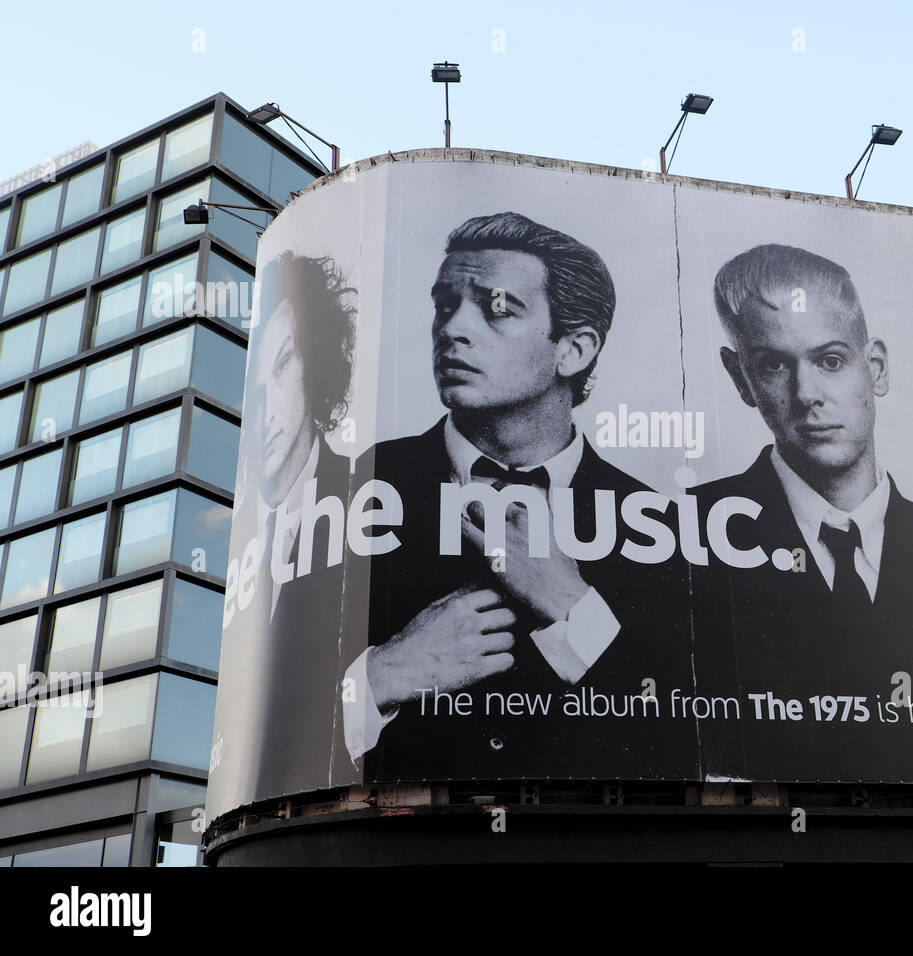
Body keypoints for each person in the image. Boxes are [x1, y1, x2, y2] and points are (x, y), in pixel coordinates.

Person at [342, 212, 697, 781]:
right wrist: (383, 676)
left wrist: (572, 608)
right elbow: (275, 728)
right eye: (445, 304)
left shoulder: (659, 523)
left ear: (574, 350)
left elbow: (694, 738)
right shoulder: (360, 486)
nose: (453, 329)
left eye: (497, 307)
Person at [689, 243, 913, 785]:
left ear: (876, 368)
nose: (807, 395)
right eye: (773, 365)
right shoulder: (693, 533)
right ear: (740, 379)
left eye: (830, 360)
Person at [219, 251, 362, 805]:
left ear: (316, 363)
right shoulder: (243, 548)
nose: (267, 411)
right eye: (254, 391)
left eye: (283, 365)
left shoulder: (366, 498)